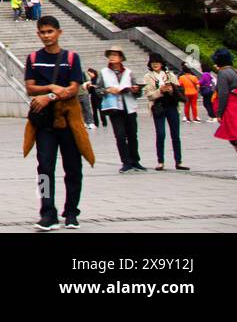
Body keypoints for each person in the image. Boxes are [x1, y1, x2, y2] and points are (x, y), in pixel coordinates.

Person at [23, 16, 93, 230]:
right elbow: (29, 88)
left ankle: (71, 212)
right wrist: (53, 88)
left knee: (73, 167)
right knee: (44, 168)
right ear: (38, 34)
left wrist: (49, 96)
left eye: (50, 31)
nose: (46, 36)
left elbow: (73, 89)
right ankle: (47, 212)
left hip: (68, 121)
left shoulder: (71, 58)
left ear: (59, 33)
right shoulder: (33, 58)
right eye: (43, 32)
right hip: (44, 123)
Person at [100, 46, 145, 173]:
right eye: (111, 55)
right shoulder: (103, 72)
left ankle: (135, 161)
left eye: (115, 55)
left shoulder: (128, 72)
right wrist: (107, 90)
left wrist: (135, 89)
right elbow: (97, 90)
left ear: (121, 58)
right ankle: (126, 162)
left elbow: (137, 91)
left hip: (129, 106)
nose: (112, 57)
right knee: (120, 136)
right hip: (114, 107)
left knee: (132, 135)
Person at [142, 56, 188, 171]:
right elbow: (149, 95)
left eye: (157, 62)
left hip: (171, 106)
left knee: (175, 134)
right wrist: (160, 91)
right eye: (153, 63)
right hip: (158, 107)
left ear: (162, 63)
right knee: (161, 134)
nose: (155, 64)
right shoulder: (148, 77)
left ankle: (179, 161)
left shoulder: (170, 75)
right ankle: (160, 161)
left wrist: (171, 90)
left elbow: (179, 91)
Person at [209, 48, 237, 178]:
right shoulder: (234, 71)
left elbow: (223, 94)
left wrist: (219, 112)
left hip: (232, 109)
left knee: (236, 139)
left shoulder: (223, 73)